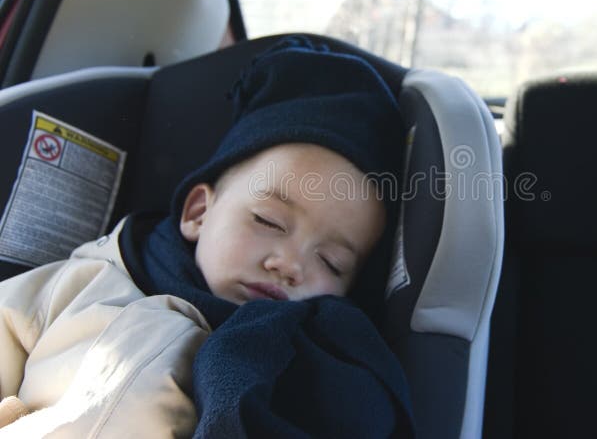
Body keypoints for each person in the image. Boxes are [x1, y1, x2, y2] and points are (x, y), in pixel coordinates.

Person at [0, 37, 414, 438]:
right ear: (198, 213)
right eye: (269, 221)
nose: (289, 265)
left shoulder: (301, 373)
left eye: (331, 262)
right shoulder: (88, 280)